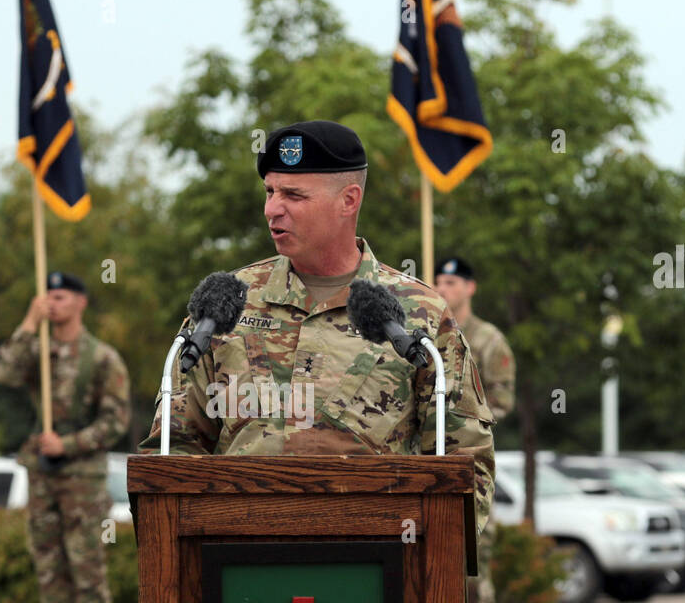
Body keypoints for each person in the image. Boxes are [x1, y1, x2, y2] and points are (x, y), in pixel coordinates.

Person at [138, 119, 495, 531]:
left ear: (348, 200)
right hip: (237, 564)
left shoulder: (419, 313)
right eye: (270, 192)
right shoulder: (225, 304)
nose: (273, 208)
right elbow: (172, 450)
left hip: (378, 567)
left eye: (293, 195)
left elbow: (464, 464)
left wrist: (433, 565)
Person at [0, 272, 130, 603]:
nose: (52, 304)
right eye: (48, 297)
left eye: (60, 297)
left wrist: (68, 444)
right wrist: (28, 322)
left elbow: (116, 421)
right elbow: (5, 373)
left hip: (82, 473)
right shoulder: (38, 351)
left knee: (84, 554)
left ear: (80, 303)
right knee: (48, 554)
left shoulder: (102, 358)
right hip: (42, 470)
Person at [435, 256, 515, 603]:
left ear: (470, 287)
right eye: (438, 282)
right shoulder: (427, 331)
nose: (444, 288)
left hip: (471, 453)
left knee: (476, 538)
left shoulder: (488, 340)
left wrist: (466, 419)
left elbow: (503, 400)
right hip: (431, 452)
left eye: (451, 282)